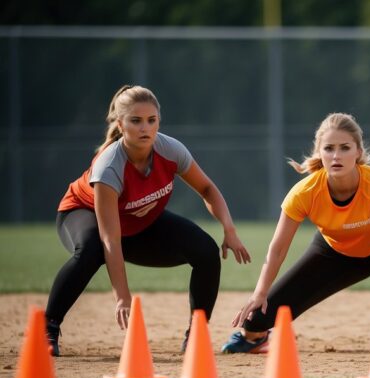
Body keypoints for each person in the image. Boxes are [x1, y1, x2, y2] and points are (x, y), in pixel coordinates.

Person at [46, 85, 251, 356]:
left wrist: (229, 229)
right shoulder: (110, 166)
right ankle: (47, 329)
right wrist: (122, 295)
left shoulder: (170, 150)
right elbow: (110, 237)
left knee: (205, 251)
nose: (145, 128)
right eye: (136, 120)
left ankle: (197, 333)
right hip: (83, 214)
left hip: (140, 220)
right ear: (120, 124)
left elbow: (207, 189)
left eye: (151, 120)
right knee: (91, 249)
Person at [223, 112, 370, 355]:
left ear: (358, 152)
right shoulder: (305, 192)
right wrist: (260, 293)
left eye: (345, 148)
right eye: (329, 148)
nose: (336, 156)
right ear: (320, 152)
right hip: (333, 252)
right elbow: (277, 249)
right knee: (255, 320)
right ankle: (259, 338)